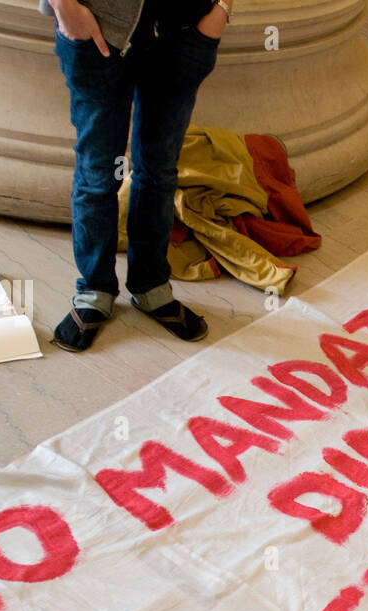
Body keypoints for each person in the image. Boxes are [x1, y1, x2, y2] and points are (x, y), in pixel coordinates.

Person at [42, 0, 232, 351]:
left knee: (159, 170)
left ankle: (151, 287)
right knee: (98, 173)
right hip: (99, 26)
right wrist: (65, 6)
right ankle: (95, 291)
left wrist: (222, 8)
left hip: (185, 32)